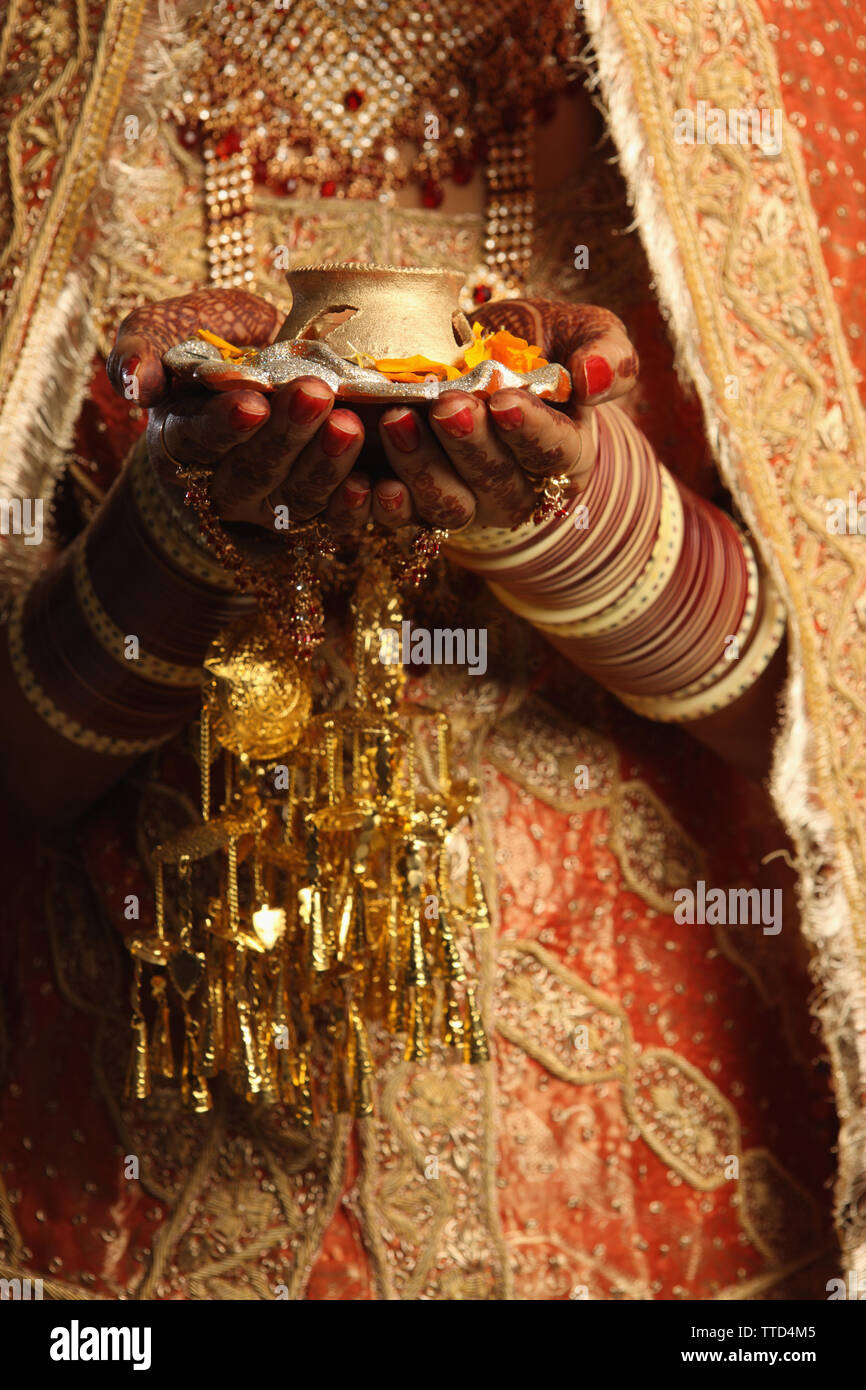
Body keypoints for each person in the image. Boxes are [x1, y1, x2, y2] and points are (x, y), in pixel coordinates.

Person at [0, 0, 860, 1301]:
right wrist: (178, 523)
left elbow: (835, 721)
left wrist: (566, 511)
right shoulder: (40, 50)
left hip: (676, 1234)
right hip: (129, 1229)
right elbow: (17, 772)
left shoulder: (795, 44)